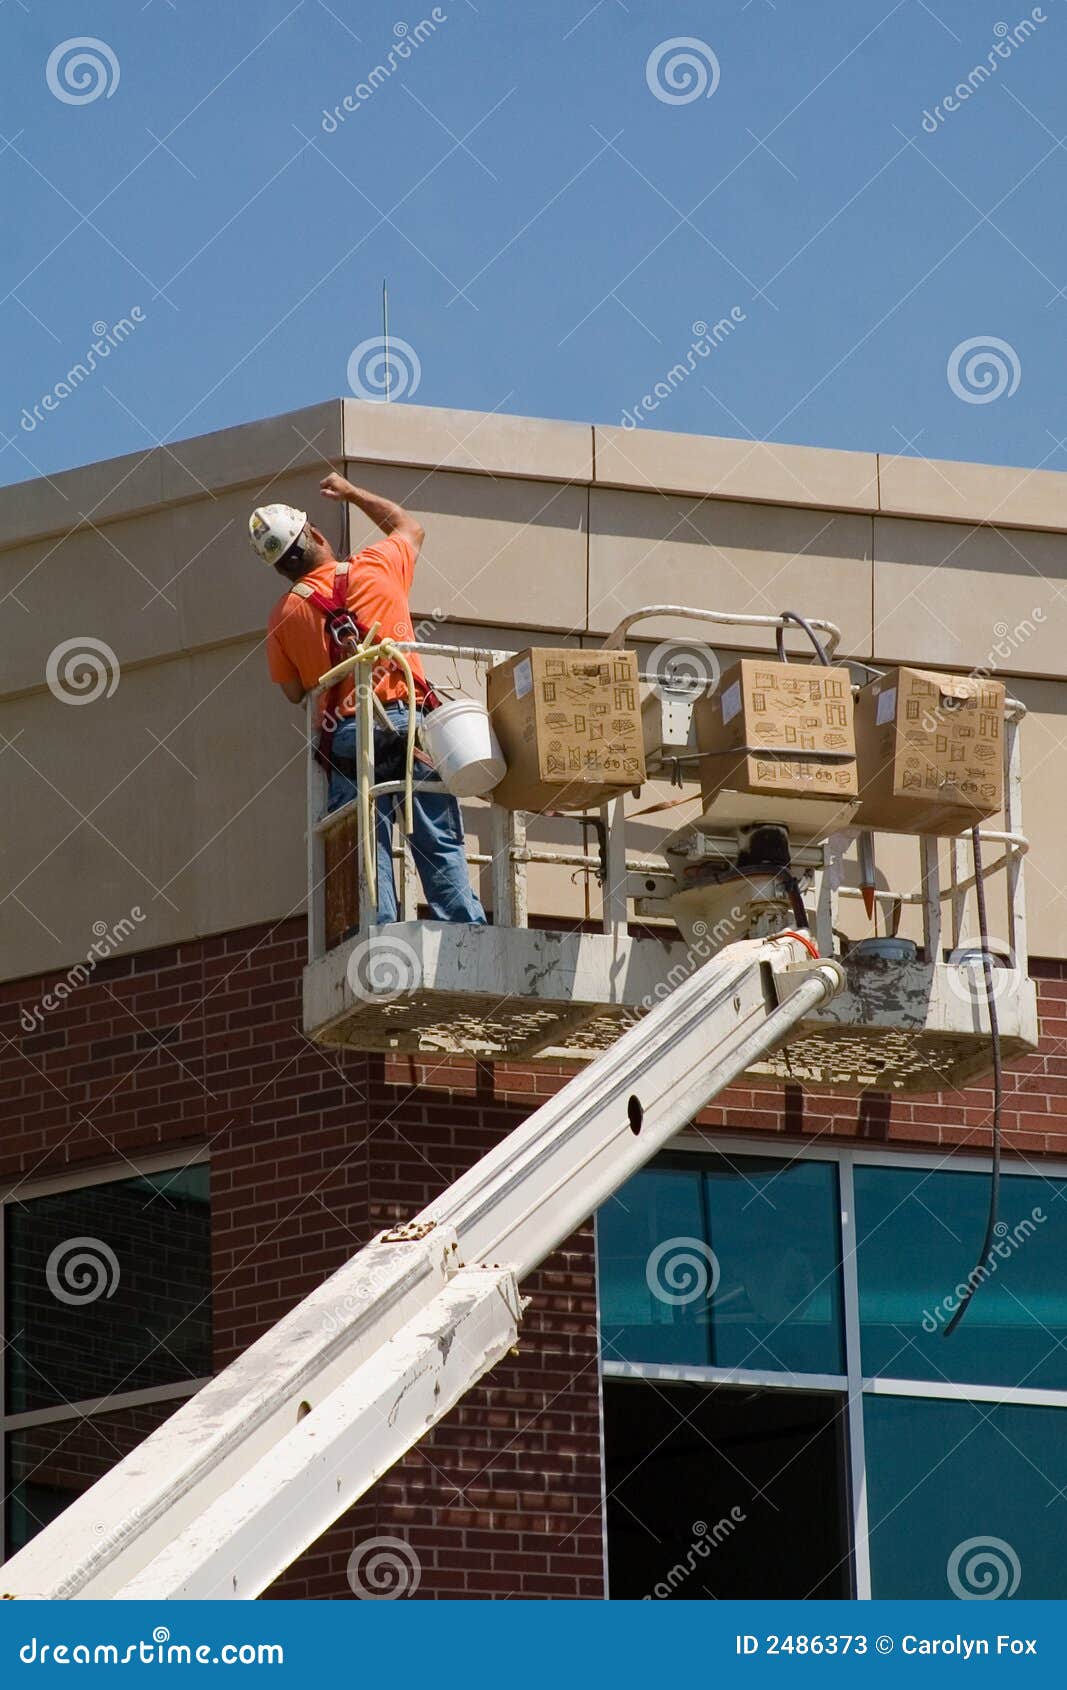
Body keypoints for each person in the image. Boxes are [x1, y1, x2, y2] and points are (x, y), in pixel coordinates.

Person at [250, 472, 486, 927]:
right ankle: (463, 928)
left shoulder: (283, 615)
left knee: (364, 840)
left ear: (280, 568)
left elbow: (295, 691)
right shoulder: (376, 566)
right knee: (434, 831)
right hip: (406, 720)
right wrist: (353, 493)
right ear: (315, 534)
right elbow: (409, 525)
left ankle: (376, 932)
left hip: (346, 735)